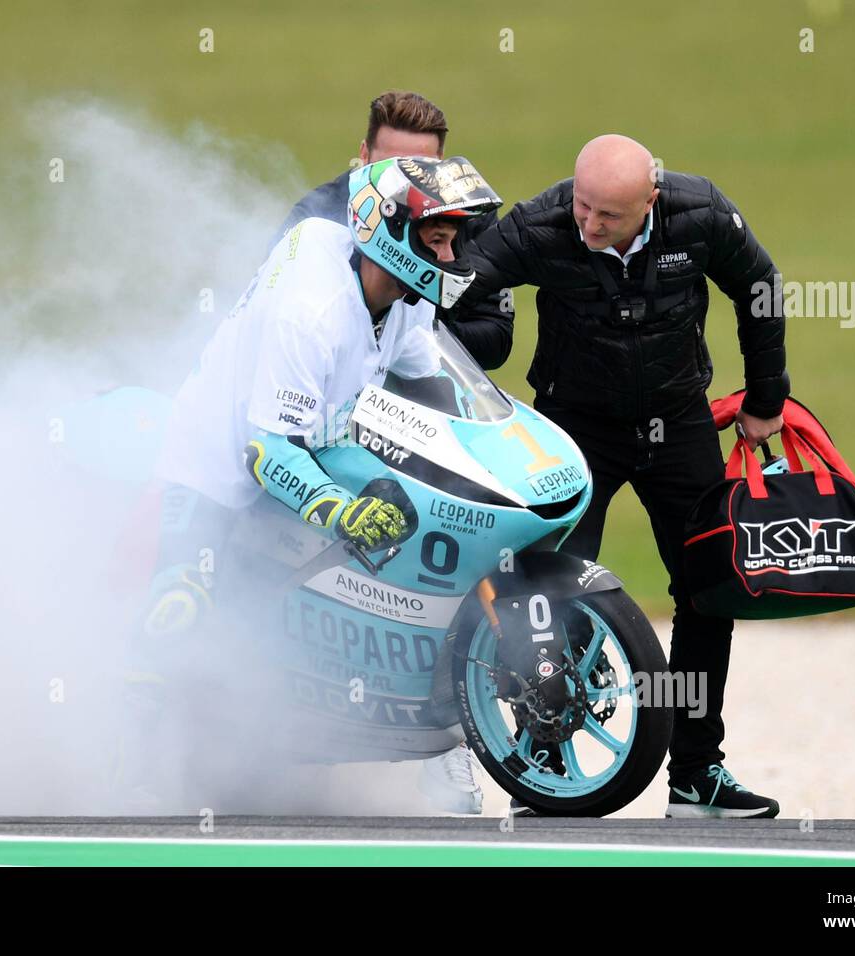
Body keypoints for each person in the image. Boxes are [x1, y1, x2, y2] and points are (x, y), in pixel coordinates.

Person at [141, 155, 504, 815]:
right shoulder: (312, 313)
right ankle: (127, 775)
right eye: (438, 239)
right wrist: (336, 509)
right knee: (183, 612)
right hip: (217, 467)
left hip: (318, 441)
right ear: (390, 231)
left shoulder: (402, 295)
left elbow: (431, 386)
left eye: (454, 238)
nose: (452, 254)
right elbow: (265, 451)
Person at [456, 134, 786, 818]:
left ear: (651, 203)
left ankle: (696, 775)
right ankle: (544, 756)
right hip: (576, 432)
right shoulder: (544, 225)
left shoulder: (698, 215)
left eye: (608, 213)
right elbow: (453, 286)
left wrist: (765, 399)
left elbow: (759, 283)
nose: (590, 224)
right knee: (553, 589)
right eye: (582, 205)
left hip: (679, 422)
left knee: (708, 592)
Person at [275, 90, 513, 371]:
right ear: (364, 155)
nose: (404, 184)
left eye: (419, 170)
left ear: (441, 161)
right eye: (391, 168)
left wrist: (407, 327)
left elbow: (496, 339)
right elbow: (280, 319)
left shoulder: (471, 219)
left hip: (430, 391)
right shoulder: (314, 218)